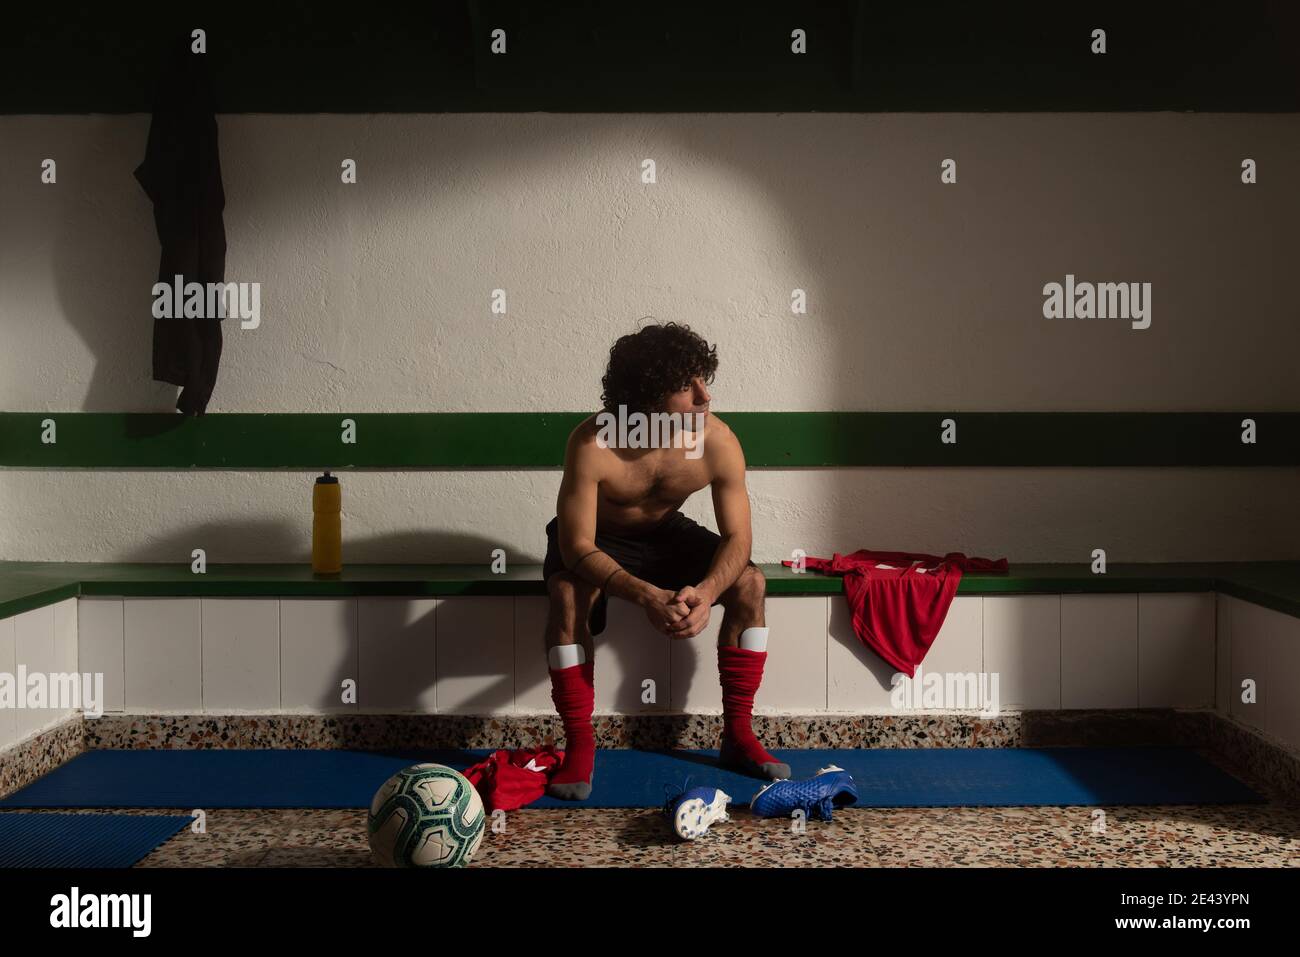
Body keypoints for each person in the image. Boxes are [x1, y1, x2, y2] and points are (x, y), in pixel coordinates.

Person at [541, 321, 789, 800]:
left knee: (751, 583)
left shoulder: (716, 441)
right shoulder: (593, 443)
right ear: (646, 397)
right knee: (568, 592)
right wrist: (647, 595)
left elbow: (738, 537)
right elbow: (576, 547)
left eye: (703, 379)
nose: (704, 396)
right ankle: (580, 746)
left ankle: (737, 735)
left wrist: (710, 591)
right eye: (685, 386)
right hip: (598, 542)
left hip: (663, 535)